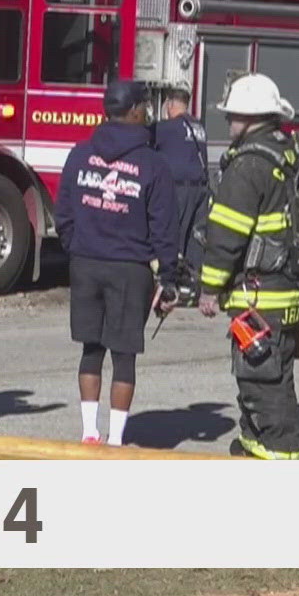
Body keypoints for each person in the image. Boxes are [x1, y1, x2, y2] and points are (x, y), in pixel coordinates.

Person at [53, 78, 179, 446]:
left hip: (86, 264)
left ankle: (89, 432)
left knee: (90, 349)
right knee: (124, 356)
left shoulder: (79, 154)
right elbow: (164, 228)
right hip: (130, 270)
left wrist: (78, 246)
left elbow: (63, 212)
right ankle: (115, 440)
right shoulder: (152, 165)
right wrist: (169, 276)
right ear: (136, 110)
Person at [193, 72, 299, 460]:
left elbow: (227, 236)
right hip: (286, 292)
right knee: (272, 373)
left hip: (261, 297)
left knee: (261, 379)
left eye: (232, 116)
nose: (228, 123)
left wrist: (209, 288)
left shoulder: (248, 167)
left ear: (249, 116)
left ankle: (280, 454)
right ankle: (253, 444)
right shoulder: (290, 154)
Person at [153, 87, 212, 284]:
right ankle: (192, 282)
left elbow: (141, 138)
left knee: (173, 235)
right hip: (201, 189)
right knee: (195, 237)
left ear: (169, 104)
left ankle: (170, 281)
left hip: (180, 189)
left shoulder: (168, 128)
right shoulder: (198, 126)